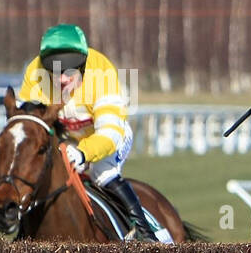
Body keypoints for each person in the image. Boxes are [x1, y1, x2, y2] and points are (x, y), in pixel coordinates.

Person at [17, 24, 158, 241]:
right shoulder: (34, 73)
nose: (63, 79)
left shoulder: (102, 72)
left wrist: (83, 153)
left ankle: (145, 234)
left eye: (69, 70)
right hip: (67, 140)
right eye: (55, 71)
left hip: (109, 136)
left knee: (102, 173)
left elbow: (109, 133)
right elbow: (24, 126)